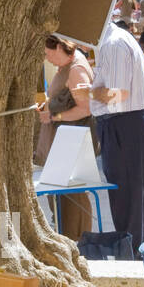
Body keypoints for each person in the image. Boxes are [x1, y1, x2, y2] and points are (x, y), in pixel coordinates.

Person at [81, 18, 144, 250]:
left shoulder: (113, 44)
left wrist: (90, 93)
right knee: (125, 202)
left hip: (123, 125)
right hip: (121, 125)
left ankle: (131, 256)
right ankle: (130, 252)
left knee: (127, 203)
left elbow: (117, 96)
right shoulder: (112, 42)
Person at [36, 34, 96, 239]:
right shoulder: (66, 66)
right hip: (63, 143)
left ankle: (79, 241)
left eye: (48, 53)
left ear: (61, 47)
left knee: (73, 200)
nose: (47, 58)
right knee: (62, 200)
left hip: (72, 144)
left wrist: (54, 115)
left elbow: (86, 109)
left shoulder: (77, 70)